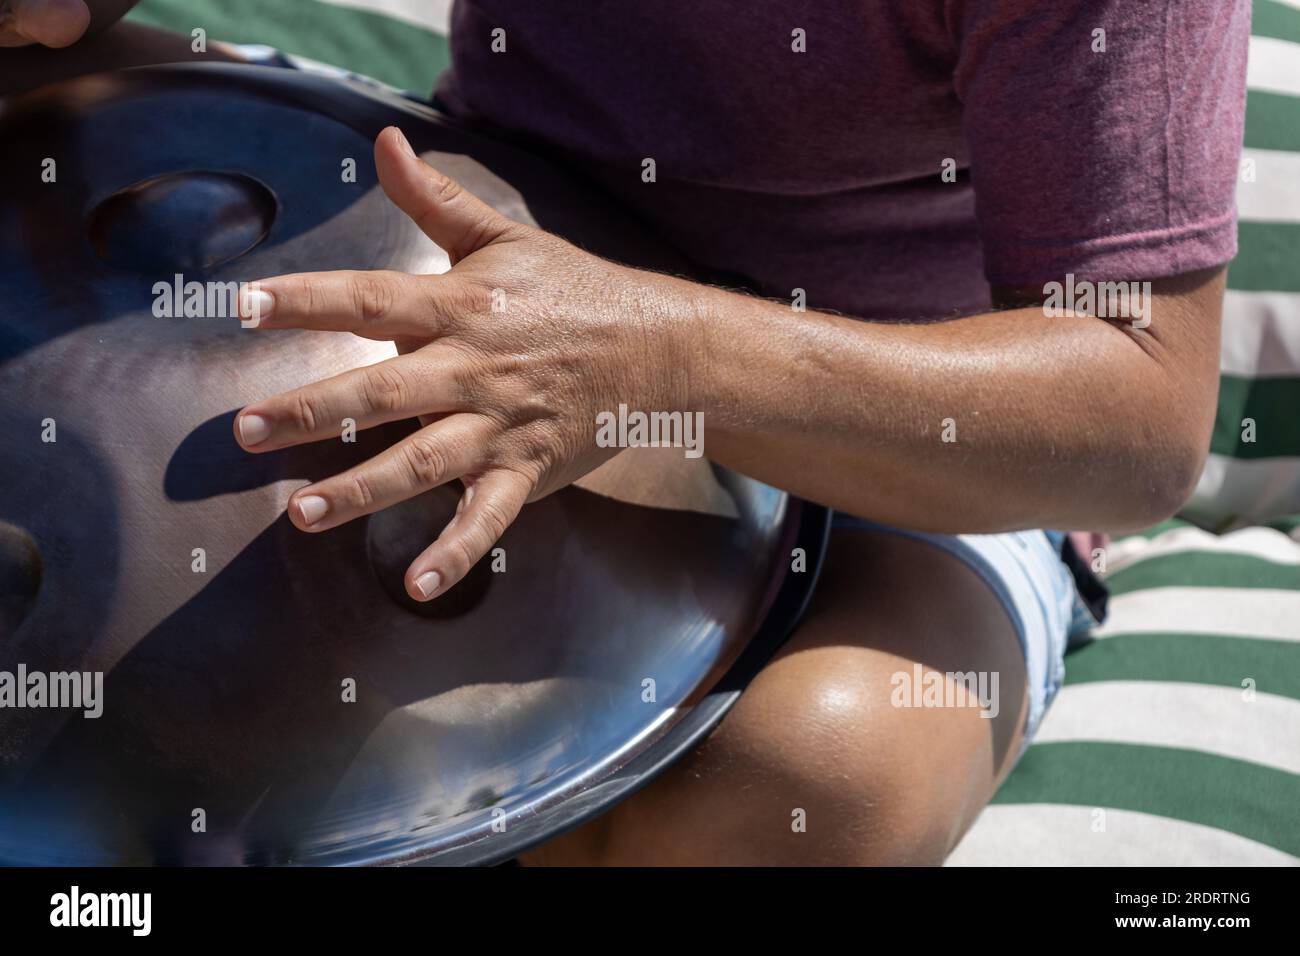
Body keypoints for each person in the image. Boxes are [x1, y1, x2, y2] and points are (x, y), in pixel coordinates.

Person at [3, 0, 1249, 865]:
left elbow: (1136, 411)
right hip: (484, 224)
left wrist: (655, 358)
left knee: (813, 777)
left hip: (908, 425)